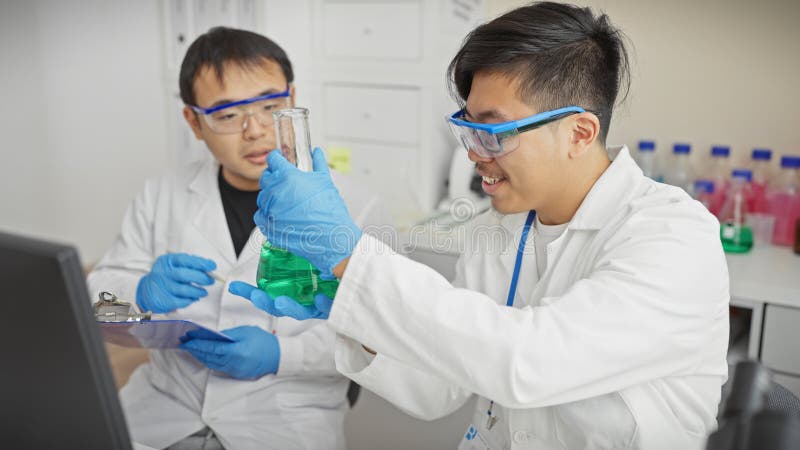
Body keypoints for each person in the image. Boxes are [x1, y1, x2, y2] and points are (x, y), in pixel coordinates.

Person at [229, 3, 730, 450]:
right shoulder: (502, 228)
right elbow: (440, 385)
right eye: (468, 128)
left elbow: (527, 362)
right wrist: (358, 318)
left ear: (579, 132)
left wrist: (352, 258)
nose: (473, 153)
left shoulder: (674, 238)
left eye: (493, 131)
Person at [87, 27, 384, 450]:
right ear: (194, 122)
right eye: (227, 115)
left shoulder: (358, 206)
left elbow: (381, 338)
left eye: (270, 106)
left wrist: (282, 355)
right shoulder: (161, 195)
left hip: (284, 423)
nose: (255, 130)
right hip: (163, 410)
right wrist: (138, 295)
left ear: (292, 99)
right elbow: (95, 310)